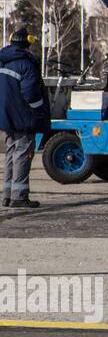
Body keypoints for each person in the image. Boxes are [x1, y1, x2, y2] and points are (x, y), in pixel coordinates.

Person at [0, 27, 50, 209]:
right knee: (23, 154)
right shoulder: (26, 64)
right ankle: (19, 196)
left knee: (11, 153)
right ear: (27, 44)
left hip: (6, 115)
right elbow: (31, 94)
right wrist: (39, 111)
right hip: (23, 116)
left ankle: (7, 195)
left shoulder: (3, 61)